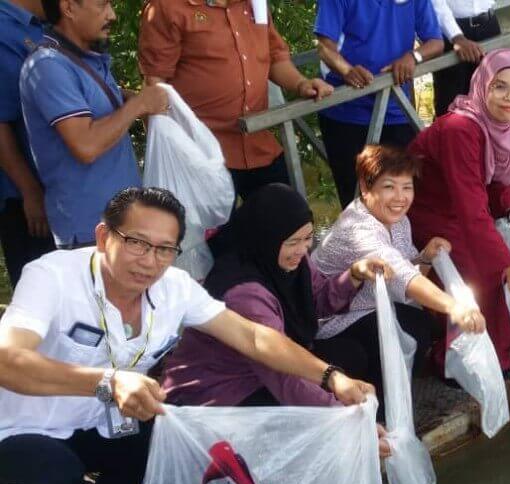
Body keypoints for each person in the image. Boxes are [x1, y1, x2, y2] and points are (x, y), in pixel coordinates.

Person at [0, 187, 385, 484]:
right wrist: (107, 382)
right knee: (52, 473)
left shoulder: (175, 287)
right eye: (137, 243)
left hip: (109, 423)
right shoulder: (52, 276)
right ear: (104, 237)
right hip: (24, 429)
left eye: (165, 249)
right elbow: (7, 360)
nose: (150, 261)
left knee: (181, 461)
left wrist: (331, 377)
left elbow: (253, 336)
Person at [161, 183, 389, 410]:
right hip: (221, 391)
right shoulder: (244, 293)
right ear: (266, 239)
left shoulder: (288, 262)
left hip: (265, 365)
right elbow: (281, 373)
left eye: (308, 238)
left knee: (352, 354)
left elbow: (316, 300)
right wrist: (341, 416)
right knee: (309, 407)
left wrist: (354, 275)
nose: (302, 249)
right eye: (292, 242)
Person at [312, 145, 485, 412]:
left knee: (419, 325)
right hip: (331, 318)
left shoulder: (398, 220)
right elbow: (403, 278)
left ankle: (395, 401)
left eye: (407, 187)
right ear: (365, 187)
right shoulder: (358, 229)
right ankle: (381, 415)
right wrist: (456, 307)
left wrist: (425, 257)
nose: (400, 197)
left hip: (367, 307)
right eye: (389, 187)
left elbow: (407, 274)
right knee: (393, 337)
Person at [407, 49, 510, 373]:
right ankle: (453, 359)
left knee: (507, 252)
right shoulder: (460, 129)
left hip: (459, 206)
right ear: (481, 86)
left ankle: (494, 353)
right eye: (500, 86)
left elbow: (497, 184)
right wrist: (508, 265)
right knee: (486, 270)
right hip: (426, 211)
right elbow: (471, 210)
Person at [138, 0, 334, 202]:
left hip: (258, 143)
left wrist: (302, 84)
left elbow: (275, 57)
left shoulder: (255, 3)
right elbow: (155, 83)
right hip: (201, 155)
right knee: (214, 233)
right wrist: (165, 150)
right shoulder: (167, 6)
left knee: (292, 221)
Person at [19, 0, 168, 249]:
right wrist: (139, 104)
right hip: (91, 231)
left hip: (124, 220)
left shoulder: (85, 56)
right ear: (68, 8)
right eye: (101, 5)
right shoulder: (48, 66)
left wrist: (127, 98)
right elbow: (85, 145)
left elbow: (91, 101)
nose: (111, 15)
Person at [315, 0, 444, 206]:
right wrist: (346, 70)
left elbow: (435, 41)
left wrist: (414, 56)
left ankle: (398, 239)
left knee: (401, 199)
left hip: (396, 110)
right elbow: (324, 47)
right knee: (356, 201)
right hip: (346, 113)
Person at [0, 0, 54, 286]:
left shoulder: (39, 26)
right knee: (41, 299)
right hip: (28, 202)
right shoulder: (3, 29)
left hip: (61, 193)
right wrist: (30, 191)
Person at [430, 0, 499, 117]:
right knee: (452, 105)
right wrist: (456, 37)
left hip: (489, 24)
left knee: (495, 96)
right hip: (452, 32)